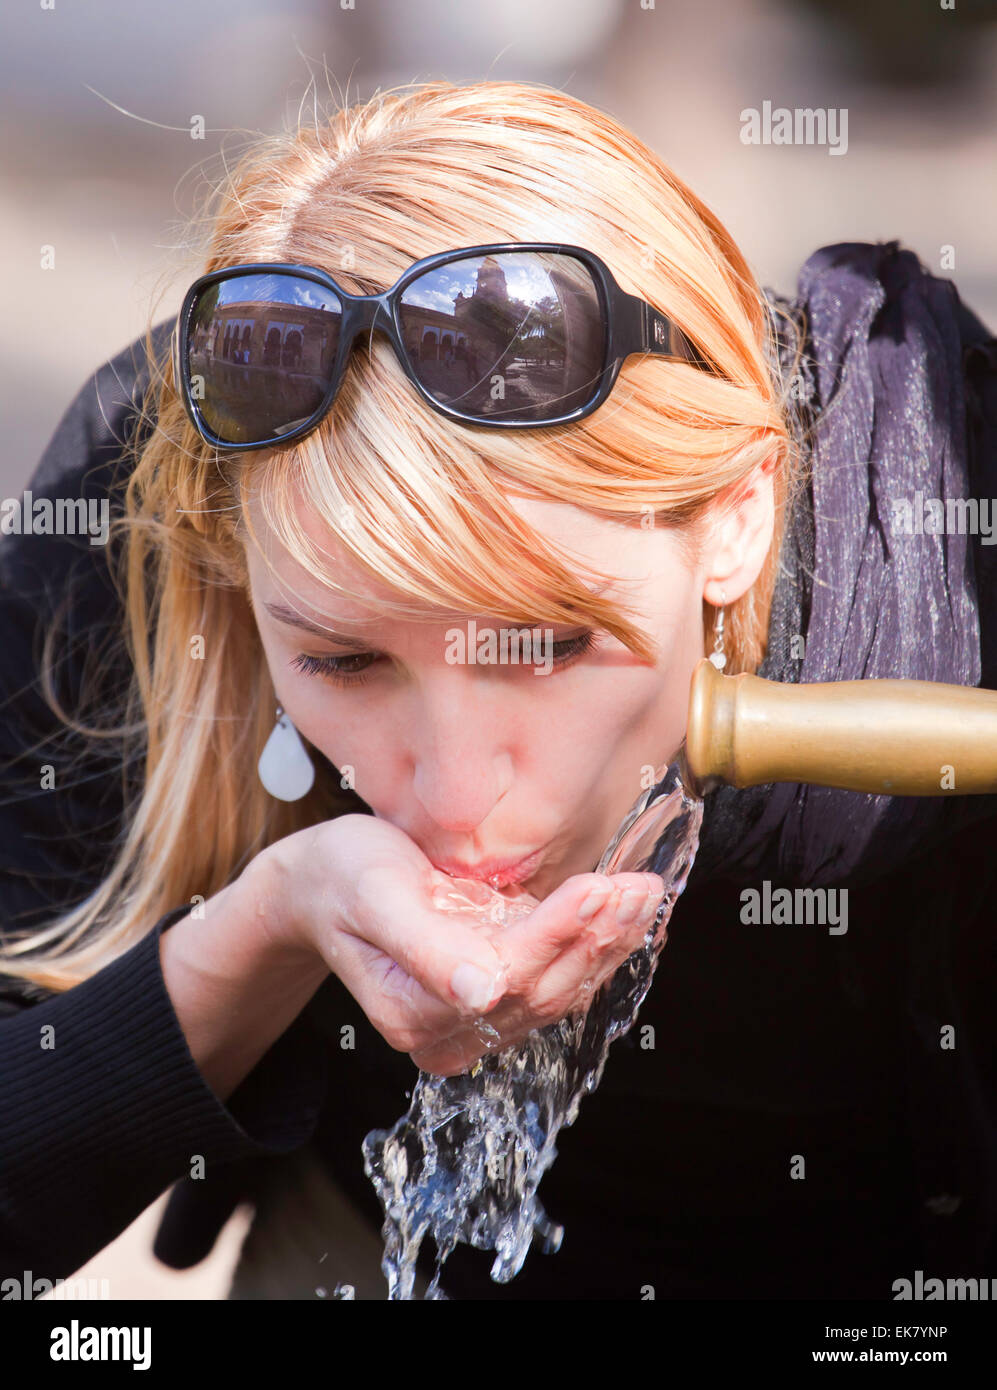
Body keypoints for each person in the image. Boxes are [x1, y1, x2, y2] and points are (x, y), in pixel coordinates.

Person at [2, 78, 996, 1302]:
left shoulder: (952, 545)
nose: (462, 799)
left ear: (734, 517)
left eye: (541, 644)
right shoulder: (149, 503)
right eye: (345, 660)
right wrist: (263, 932)